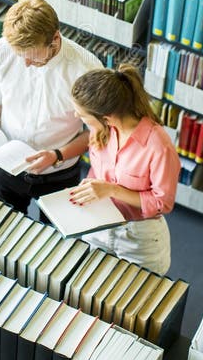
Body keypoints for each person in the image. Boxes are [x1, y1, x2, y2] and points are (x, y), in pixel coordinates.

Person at [0, 0, 101, 216]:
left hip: (60, 171)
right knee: (1, 232)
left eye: (32, 58)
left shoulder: (86, 71)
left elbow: (98, 133)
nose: (25, 64)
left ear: (54, 39)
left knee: (55, 242)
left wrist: (57, 155)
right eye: (19, 55)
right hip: (8, 167)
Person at [69, 63, 180, 274]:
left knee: (134, 299)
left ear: (107, 117)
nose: (77, 117)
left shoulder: (158, 145)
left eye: (82, 115)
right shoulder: (99, 130)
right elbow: (97, 171)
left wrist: (112, 190)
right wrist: (92, 185)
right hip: (100, 222)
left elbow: (162, 203)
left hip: (138, 237)